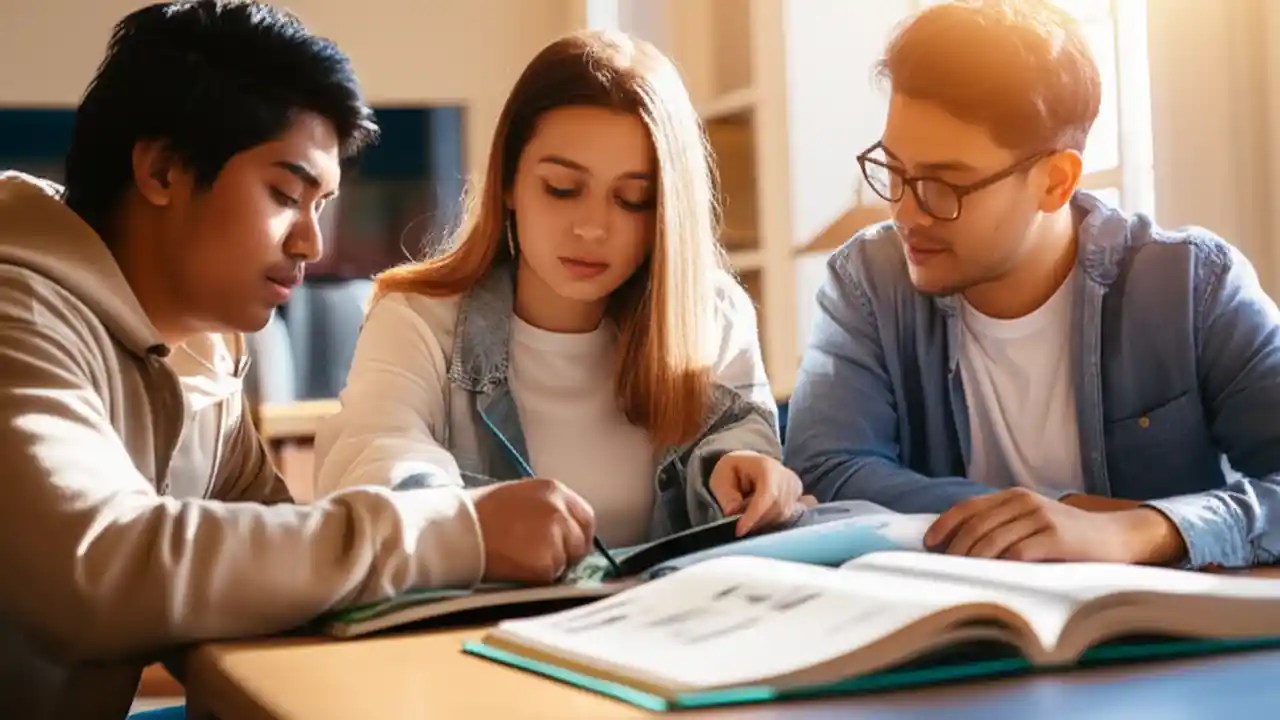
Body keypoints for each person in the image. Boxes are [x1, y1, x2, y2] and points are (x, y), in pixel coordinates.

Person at [0, 2, 603, 717]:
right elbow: (99, 568)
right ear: (162, 169)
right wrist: (460, 531)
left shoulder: (200, 352)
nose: (311, 245)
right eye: (286, 195)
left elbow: (276, 558)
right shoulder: (20, 312)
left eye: (323, 205)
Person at [784, 0, 1280, 570]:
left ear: (1055, 181)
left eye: (945, 185)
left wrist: (1142, 532)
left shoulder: (1193, 286)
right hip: (946, 636)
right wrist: (1060, 514)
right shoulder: (867, 282)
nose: (905, 213)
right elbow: (825, 471)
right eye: (894, 171)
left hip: (1164, 642)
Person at [315, 30, 802, 570]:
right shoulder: (417, 319)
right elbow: (377, 457)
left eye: (633, 200)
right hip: (477, 640)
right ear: (509, 184)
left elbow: (745, 441)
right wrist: (471, 524)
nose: (593, 228)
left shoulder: (712, 315)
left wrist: (745, 468)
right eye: (562, 189)